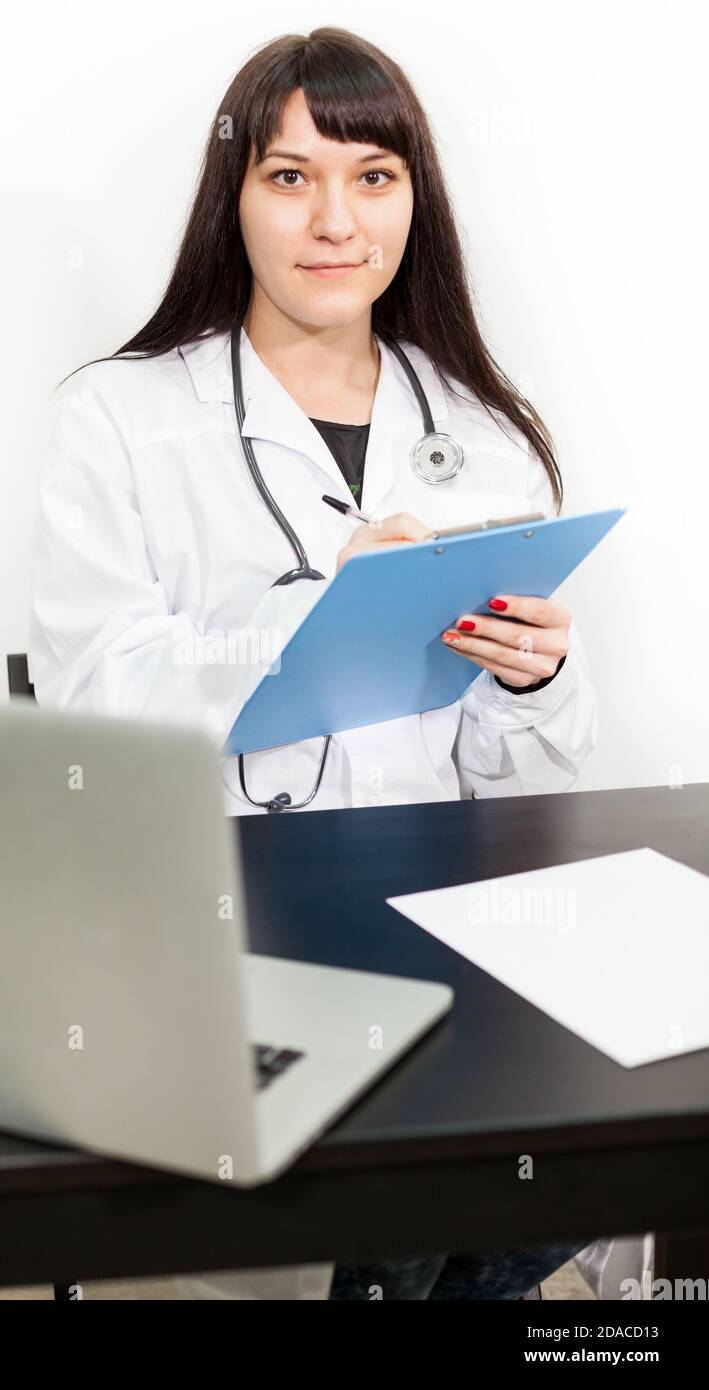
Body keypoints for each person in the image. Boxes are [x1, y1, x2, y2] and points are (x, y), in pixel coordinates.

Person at [30, 25, 602, 1299]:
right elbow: (90, 708)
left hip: (437, 920)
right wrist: (304, 620)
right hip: (205, 914)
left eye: (372, 176)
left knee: (623, 1109)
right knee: (428, 1192)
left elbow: (520, 790)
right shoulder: (121, 418)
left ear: (415, 200)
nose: (333, 218)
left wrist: (532, 680)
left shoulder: (479, 437)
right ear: (230, 202)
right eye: (288, 176)